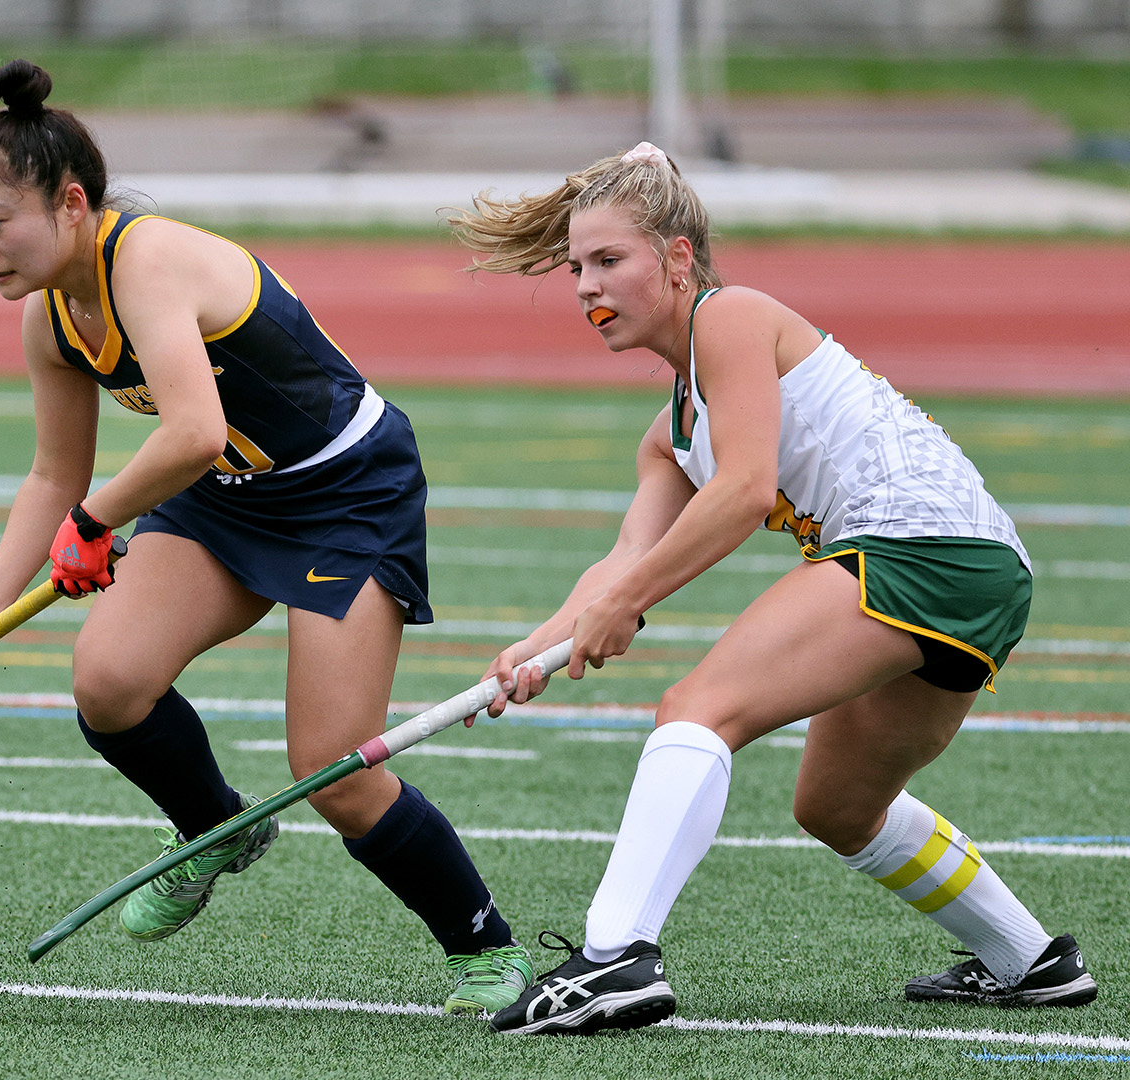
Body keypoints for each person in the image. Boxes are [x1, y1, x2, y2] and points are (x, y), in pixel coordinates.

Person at [0, 59, 533, 1017]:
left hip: (347, 491)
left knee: (331, 766)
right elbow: (54, 478)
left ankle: (485, 947)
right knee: (110, 684)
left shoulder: (146, 261)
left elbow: (192, 432)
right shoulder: (53, 316)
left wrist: (94, 525)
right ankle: (215, 826)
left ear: (71, 203)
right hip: (227, 495)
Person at [446, 142, 1096, 1034]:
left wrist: (625, 602)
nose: (586, 288)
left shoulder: (733, 318)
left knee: (698, 706)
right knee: (836, 805)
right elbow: (625, 558)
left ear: (677, 259)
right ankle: (1032, 961)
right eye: (575, 269)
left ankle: (613, 960)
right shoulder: (670, 427)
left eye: (608, 261)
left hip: (923, 547)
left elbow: (746, 489)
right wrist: (541, 644)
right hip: (979, 572)